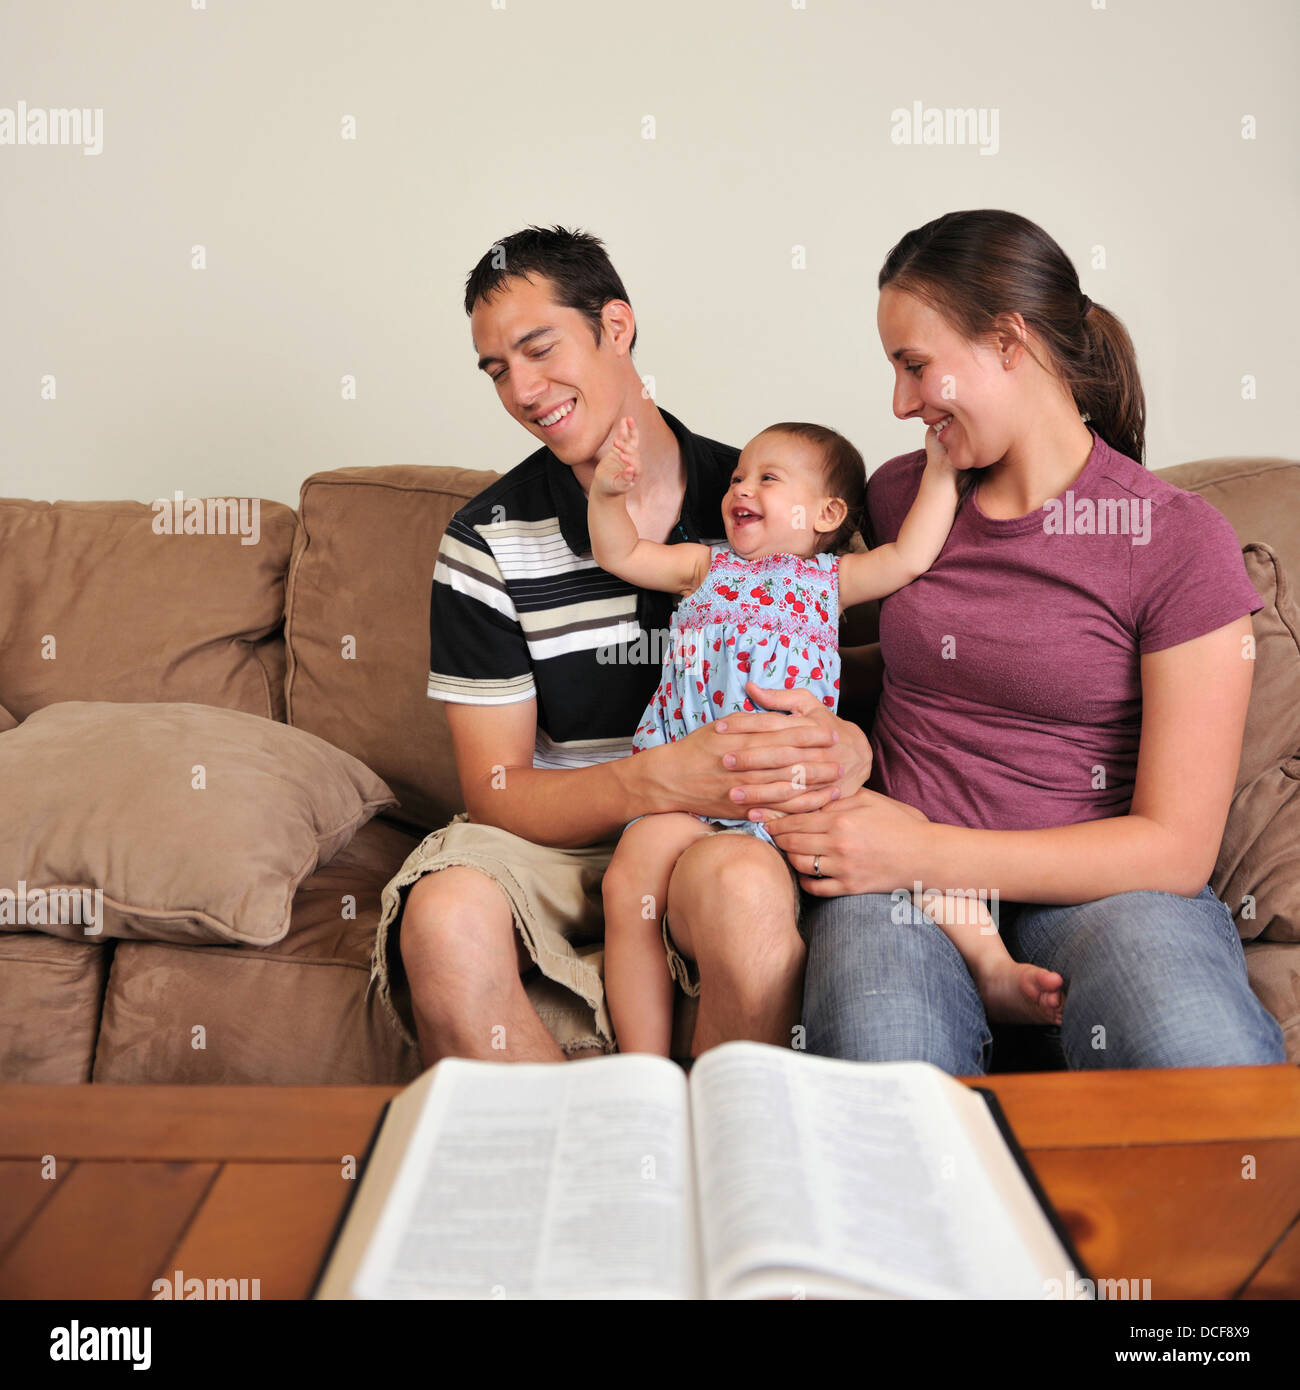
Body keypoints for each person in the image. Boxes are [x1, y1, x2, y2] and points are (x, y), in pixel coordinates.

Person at [756, 209, 1286, 1072]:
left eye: (916, 367)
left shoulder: (1175, 539)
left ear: (1009, 341)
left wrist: (923, 846)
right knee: (886, 1069)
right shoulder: (902, 500)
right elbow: (774, 607)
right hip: (902, 886)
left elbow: (1176, 847)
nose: (898, 404)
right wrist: (840, 737)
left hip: (1097, 888)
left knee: (1199, 1055)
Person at [369, 225, 873, 1066]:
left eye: (538, 349)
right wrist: (653, 779)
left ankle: (717, 1160)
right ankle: (595, 1159)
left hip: (719, 832)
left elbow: (854, 668)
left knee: (745, 893)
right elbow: (497, 791)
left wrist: (848, 744)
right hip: (555, 840)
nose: (523, 391)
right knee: (444, 918)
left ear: (616, 327)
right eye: (497, 370)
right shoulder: (487, 538)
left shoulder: (760, 499)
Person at [591, 413, 1066, 1057]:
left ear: (825, 513)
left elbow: (910, 556)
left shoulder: (830, 581)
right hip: (687, 791)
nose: (740, 489)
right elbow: (620, 553)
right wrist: (607, 496)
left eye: (768, 478)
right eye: (737, 477)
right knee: (627, 883)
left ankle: (992, 966)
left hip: (795, 790)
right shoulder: (706, 566)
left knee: (914, 842)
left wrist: (941, 473)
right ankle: (641, 1066)